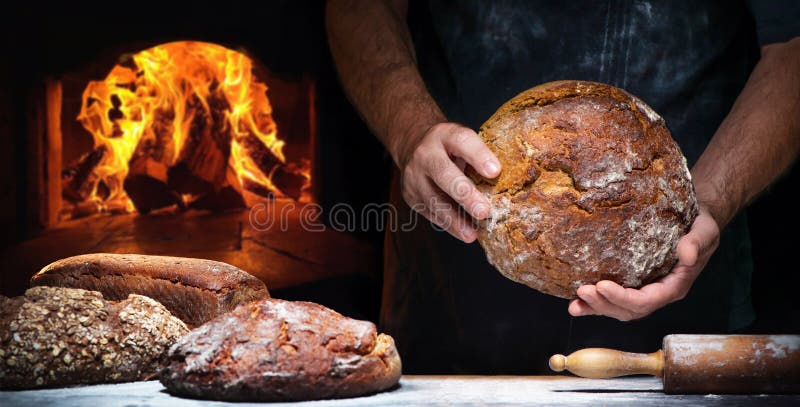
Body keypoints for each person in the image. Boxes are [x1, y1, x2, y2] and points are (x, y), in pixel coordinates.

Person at [326, 0, 800, 374]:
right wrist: (410, 131)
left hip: (677, 285)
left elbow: (792, 47)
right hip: (451, 273)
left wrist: (711, 199)